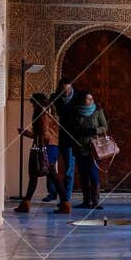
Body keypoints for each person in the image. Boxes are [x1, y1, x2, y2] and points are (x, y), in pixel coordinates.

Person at [15, 91, 59, 214]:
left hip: (45, 146)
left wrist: (26, 133)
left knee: (40, 174)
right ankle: (26, 203)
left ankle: (26, 203)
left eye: (33, 104)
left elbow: (44, 135)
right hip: (52, 146)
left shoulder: (42, 113)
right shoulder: (51, 111)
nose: (33, 106)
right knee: (48, 174)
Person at [73, 91, 109, 210]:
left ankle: (95, 200)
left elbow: (104, 127)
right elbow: (72, 127)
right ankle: (86, 200)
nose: (89, 101)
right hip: (80, 147)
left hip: (93, 148)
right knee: (83, 175)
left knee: (93, 174)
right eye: (87, 99)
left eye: (91, 98)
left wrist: (94, 131)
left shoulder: (97, 111)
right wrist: (79, 130)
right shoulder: (76, 111)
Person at [50, 79, 80, 214]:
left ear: (71, 88)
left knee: (69, 170)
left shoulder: (78, 99)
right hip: (56, 139)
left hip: (70, 140)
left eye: (68, 90)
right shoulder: (54, 98)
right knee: (49, 165)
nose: (66, 92)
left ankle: (65, 199)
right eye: (63, 90)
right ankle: (52, 192)